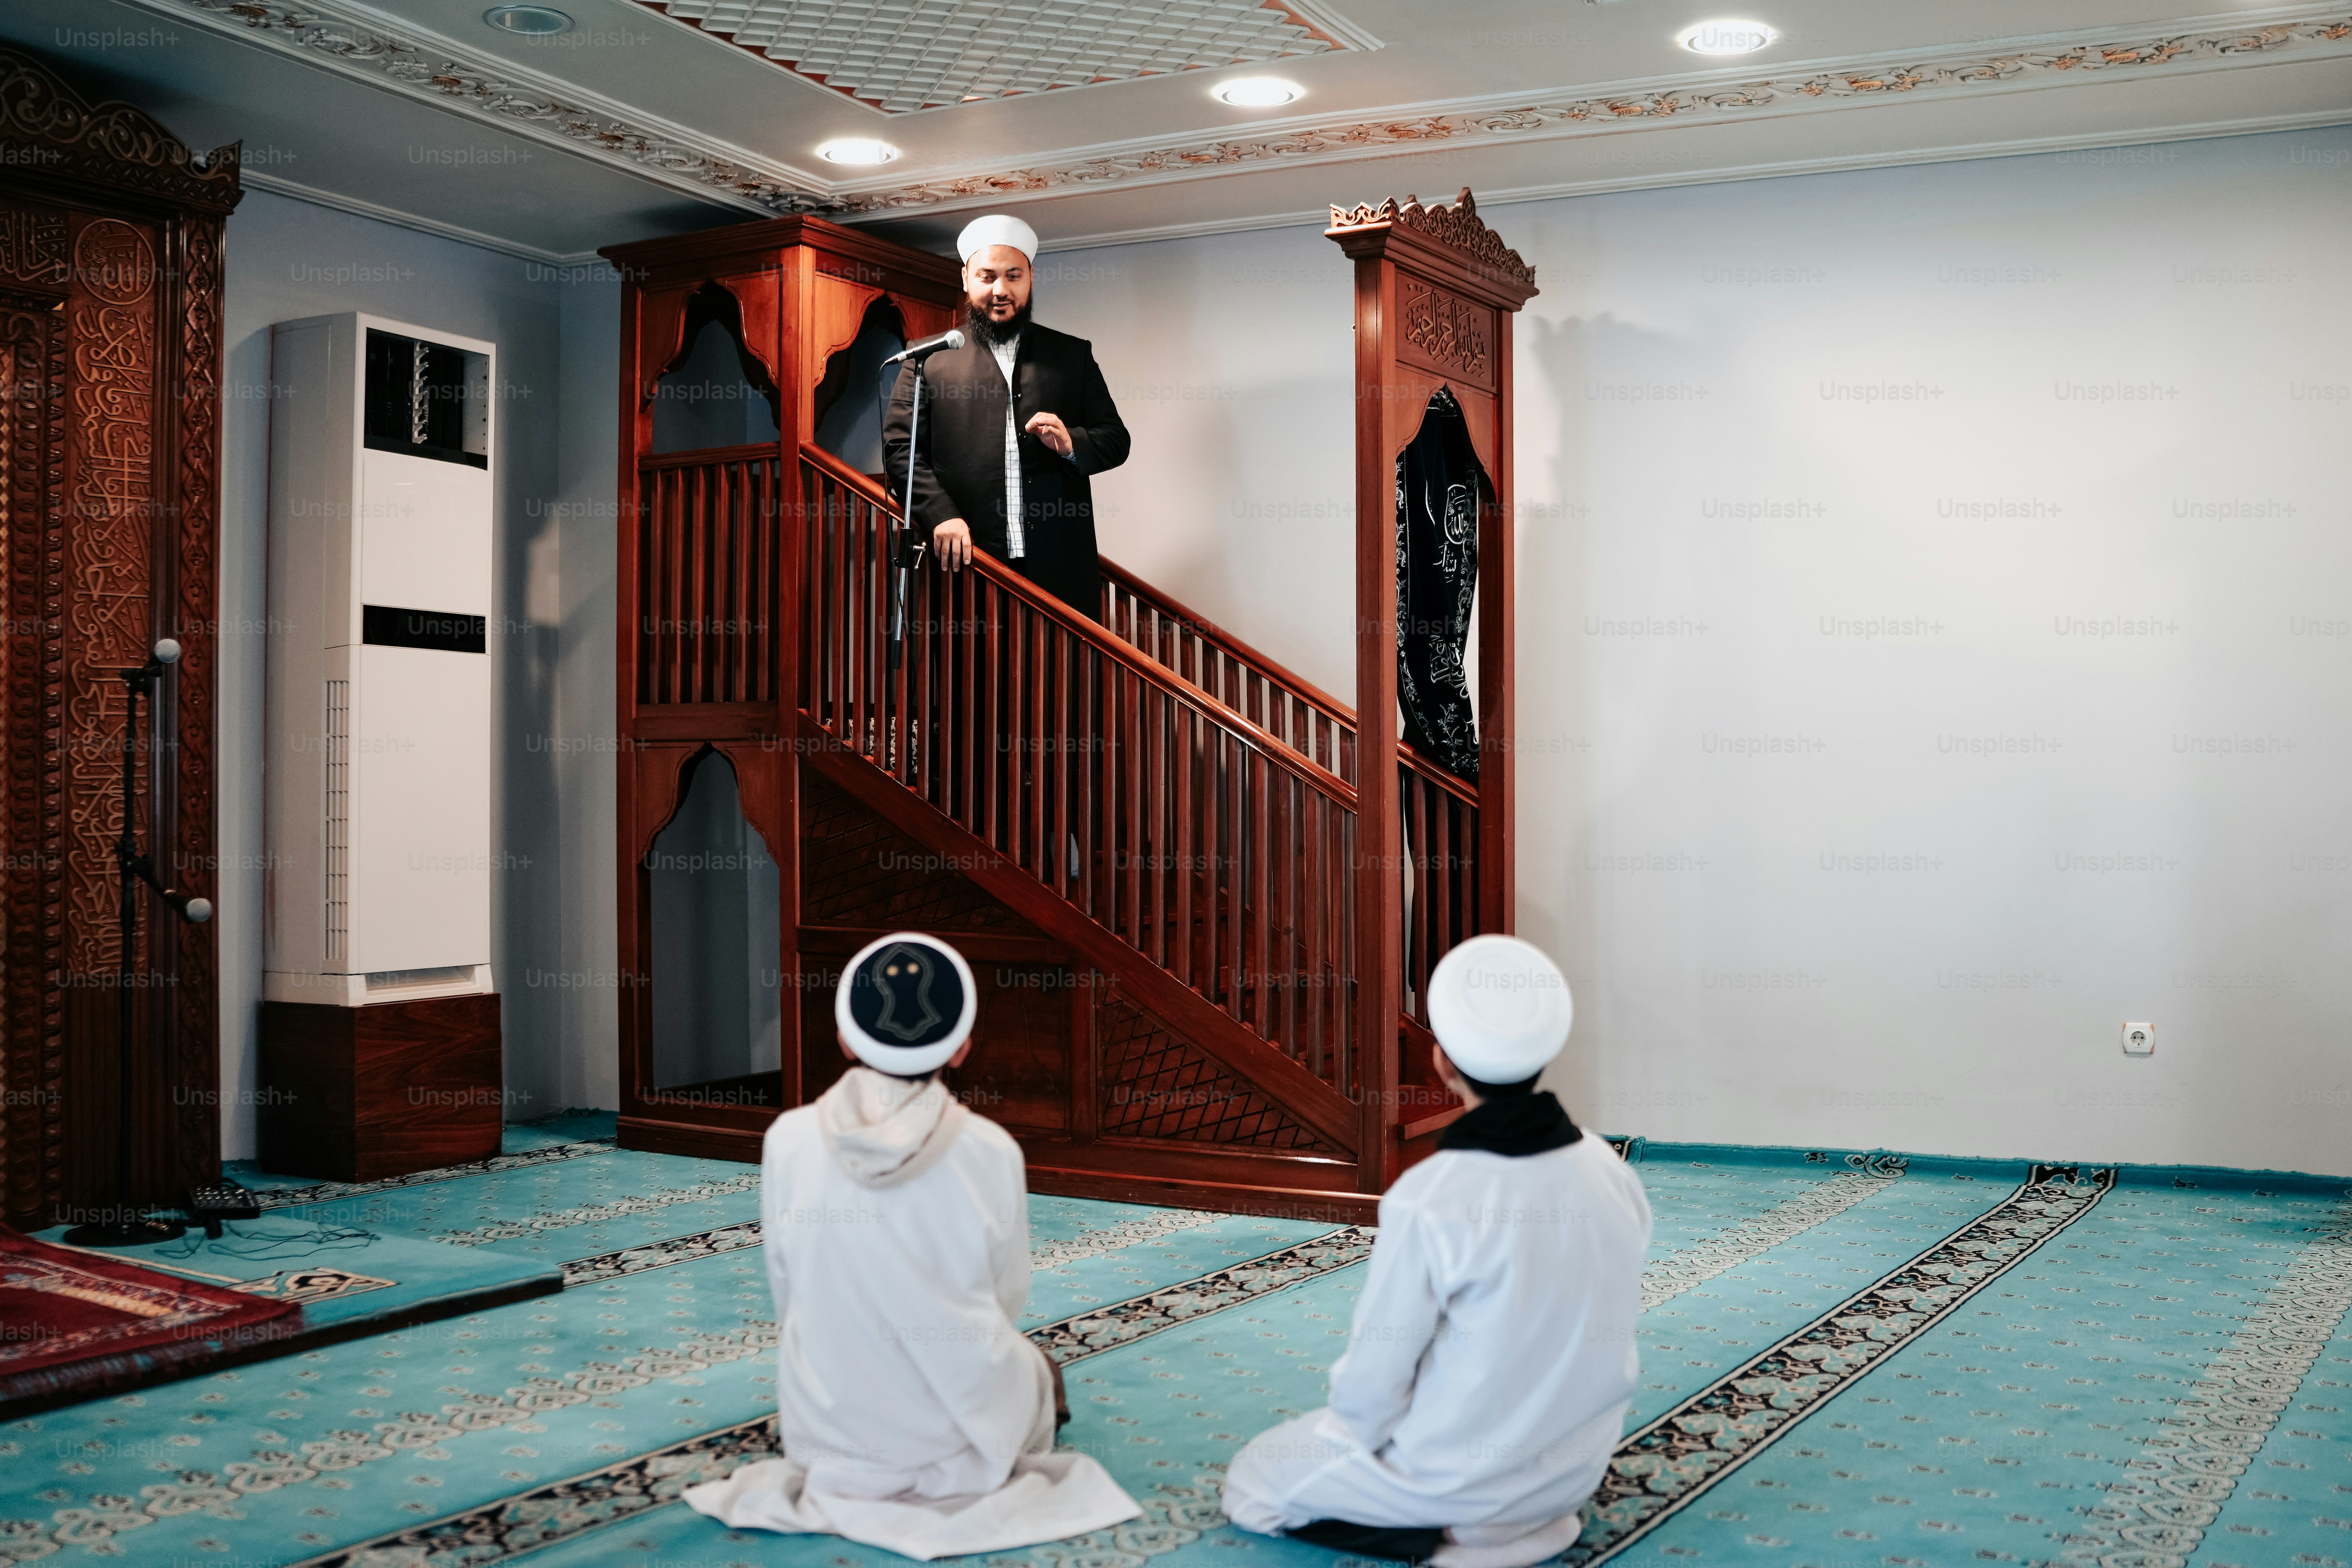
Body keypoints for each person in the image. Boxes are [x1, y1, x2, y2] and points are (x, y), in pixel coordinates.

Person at [682, 932, 1140, 1559]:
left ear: (843, 1040)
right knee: (1040, 1372)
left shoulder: (788, 1139)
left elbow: (787, 1289)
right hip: (964, 1427)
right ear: (962, 1047)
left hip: (829, 1436)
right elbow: (1006, 1296)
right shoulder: (990, 1149)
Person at [1221, 935, 1651, 1568]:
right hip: (1572, 1469)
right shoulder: (1606, 1167)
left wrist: (1348, 1442)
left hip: (1457, 1477)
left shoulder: (1432, 1196)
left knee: (1254, 1483)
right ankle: (1513, 1520)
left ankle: (1453, 1536)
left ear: (1441, 1062)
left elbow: (1376, 1375)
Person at [882, 212, 1131, 621]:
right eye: (987, 277)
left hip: (1058, 569)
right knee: (970, 682)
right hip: (967, 563)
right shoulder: (928, 359)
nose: (1001, 290)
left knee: (1058, 683)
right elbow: (900, 448)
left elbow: (1116, 439)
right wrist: (940, 515)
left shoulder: (1071, 356)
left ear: (1031, 278)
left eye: (1013, 276)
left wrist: (1071, 445)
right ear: (966, 280)